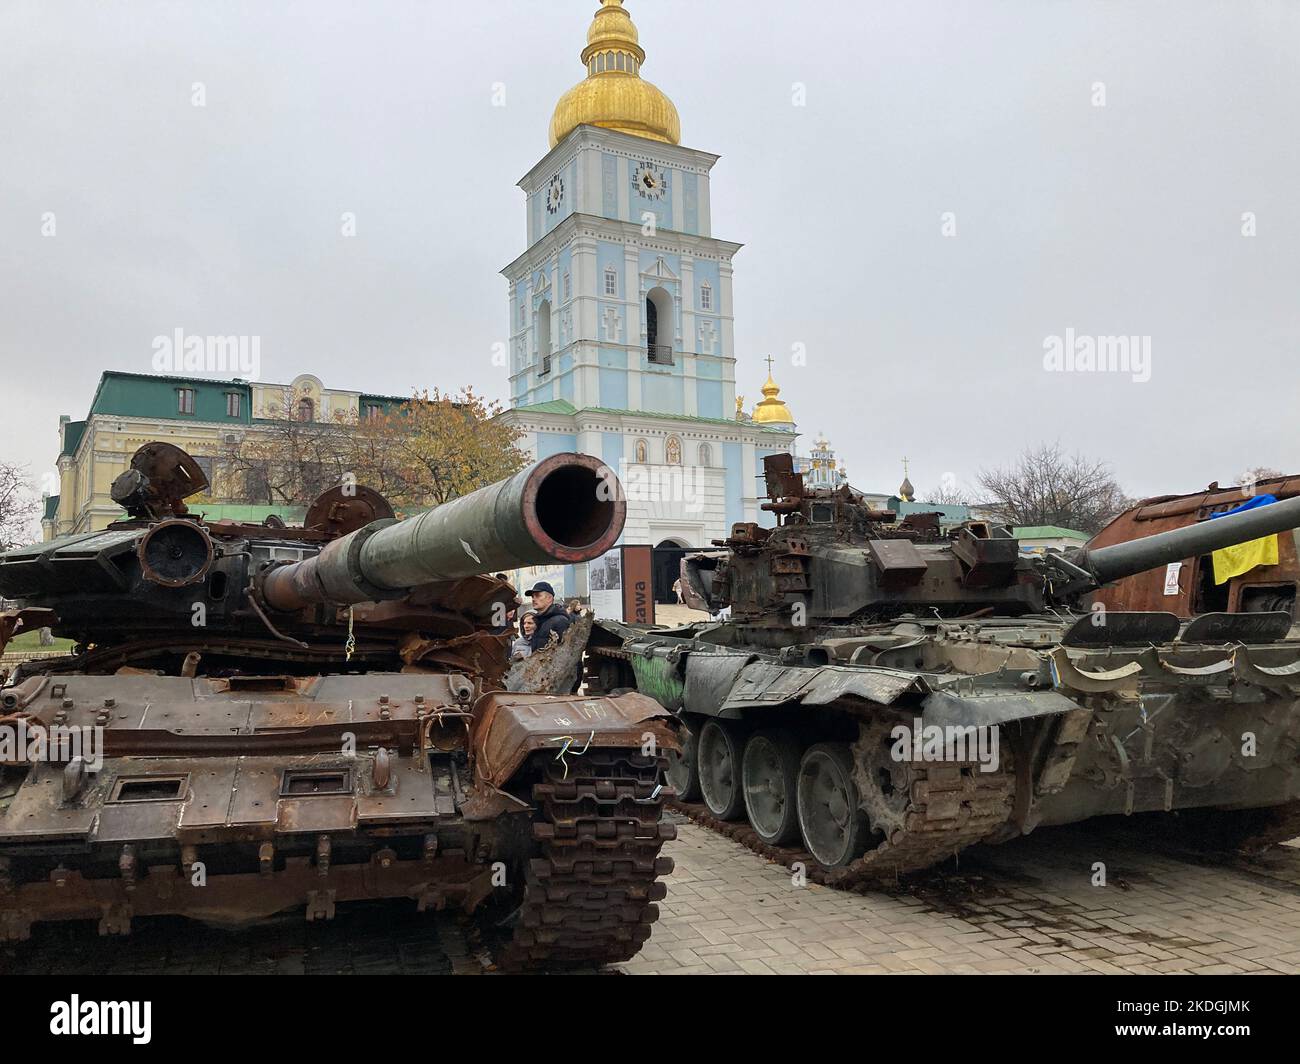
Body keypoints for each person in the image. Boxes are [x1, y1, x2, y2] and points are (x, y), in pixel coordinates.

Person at [524, 581, 571, 653]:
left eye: (538, 595)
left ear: (549, 598)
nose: (533, 599)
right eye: (532, 596)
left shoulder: (560, 621)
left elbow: (564, 654)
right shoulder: (541, 620)